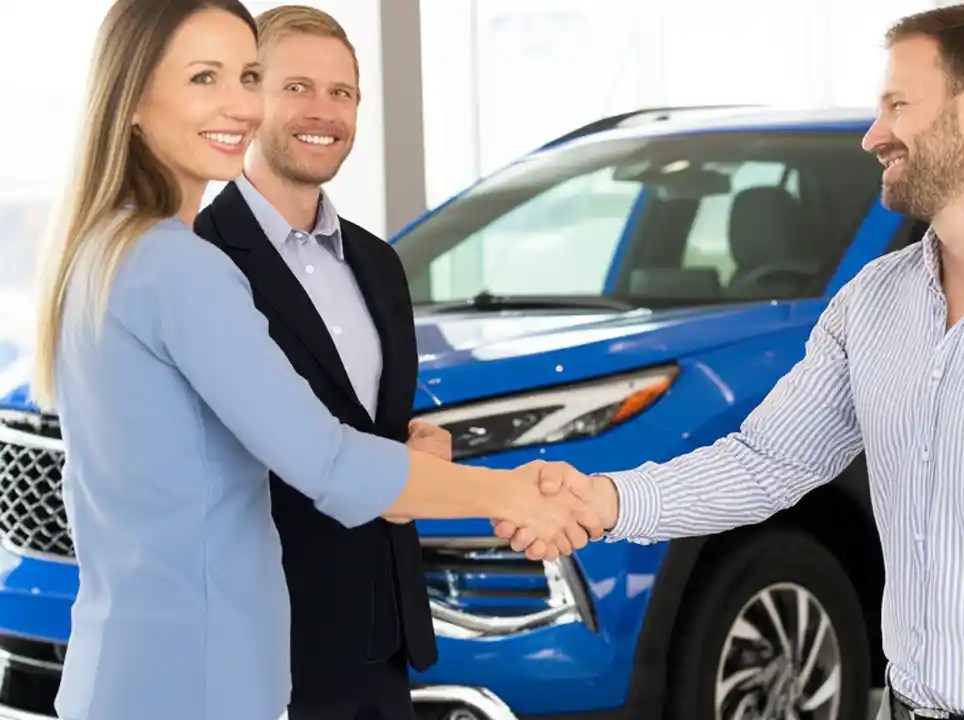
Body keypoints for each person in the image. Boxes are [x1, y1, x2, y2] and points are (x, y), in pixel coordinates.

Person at [497, 4, 964, 719]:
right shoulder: (874, 300)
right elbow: (766, 461)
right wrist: (608, 502)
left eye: (898, 105)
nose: (876, 134)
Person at [29, 2, 601, 719]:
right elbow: (323, 460)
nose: (237, 104)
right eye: (204, 78)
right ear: (133, 98)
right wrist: (508, 497)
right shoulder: (180, 267)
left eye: (246, 76)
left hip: (129, 665)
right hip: (198, 674)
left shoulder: (101, 251)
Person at [192, 6, 435, 718]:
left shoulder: (379, 262)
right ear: (249, 97)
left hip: (380, 634)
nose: (323, 112)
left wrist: (425, 440)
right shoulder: (199, 262)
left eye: (343, 93)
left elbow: (379, 413)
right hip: (268, 641)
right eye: (297, 87)